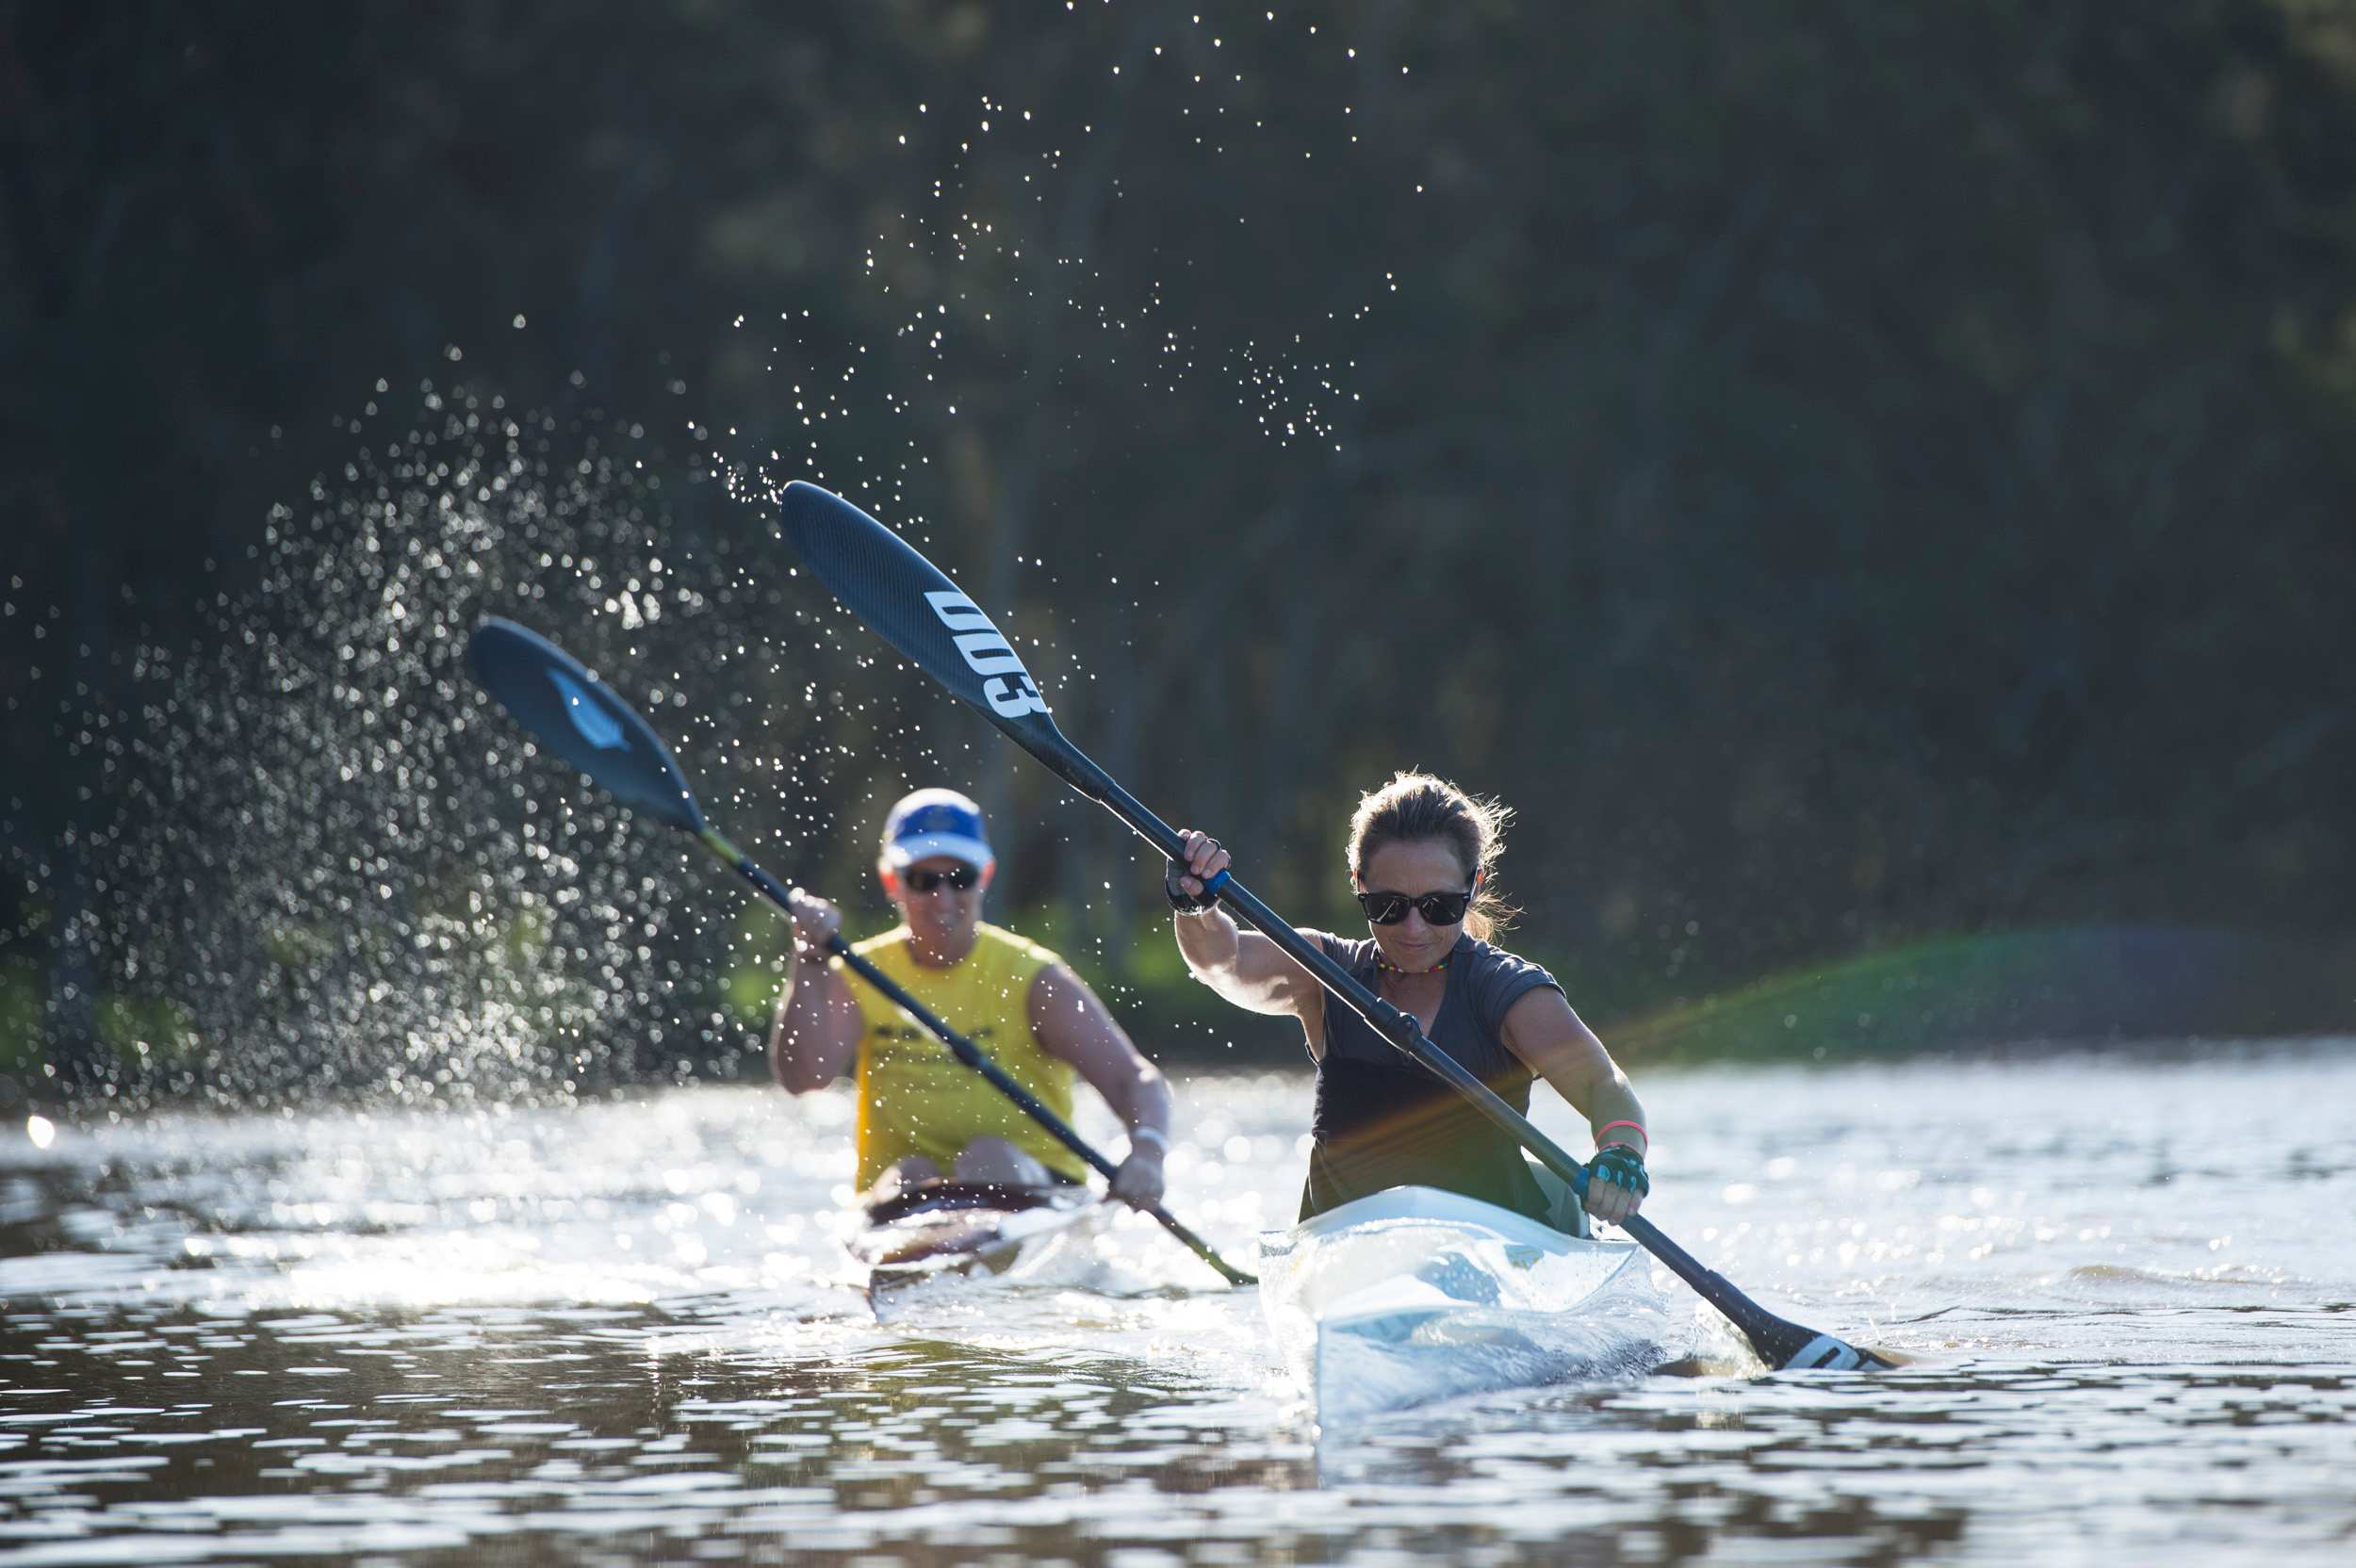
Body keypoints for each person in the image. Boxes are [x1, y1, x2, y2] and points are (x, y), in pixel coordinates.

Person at [1166, 771, 1650, 1233]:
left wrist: (1621, 1154)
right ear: (1359, 883)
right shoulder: (1325, 973)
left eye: (1439, 907)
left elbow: (1604, 1085)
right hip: (1343, 1249)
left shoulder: (1508, 993)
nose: (1413, 929)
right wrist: (1197, 907)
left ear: (1474, 887)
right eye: (1389, 907)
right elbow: (1223, 963)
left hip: (1486, 1249)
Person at [769, 787, 1174, 1212]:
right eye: (923, 880)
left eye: (959, 878)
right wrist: (809, 960)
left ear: (985, 876)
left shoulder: (1035, 979)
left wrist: (1148, 1153)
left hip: (1032, 1192)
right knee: (910, 1173)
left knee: (988, 1158)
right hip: (905, 1201)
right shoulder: (859, 972)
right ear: (892, 882)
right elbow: (803, 1079)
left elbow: (1135, 1079)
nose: (942, 899)